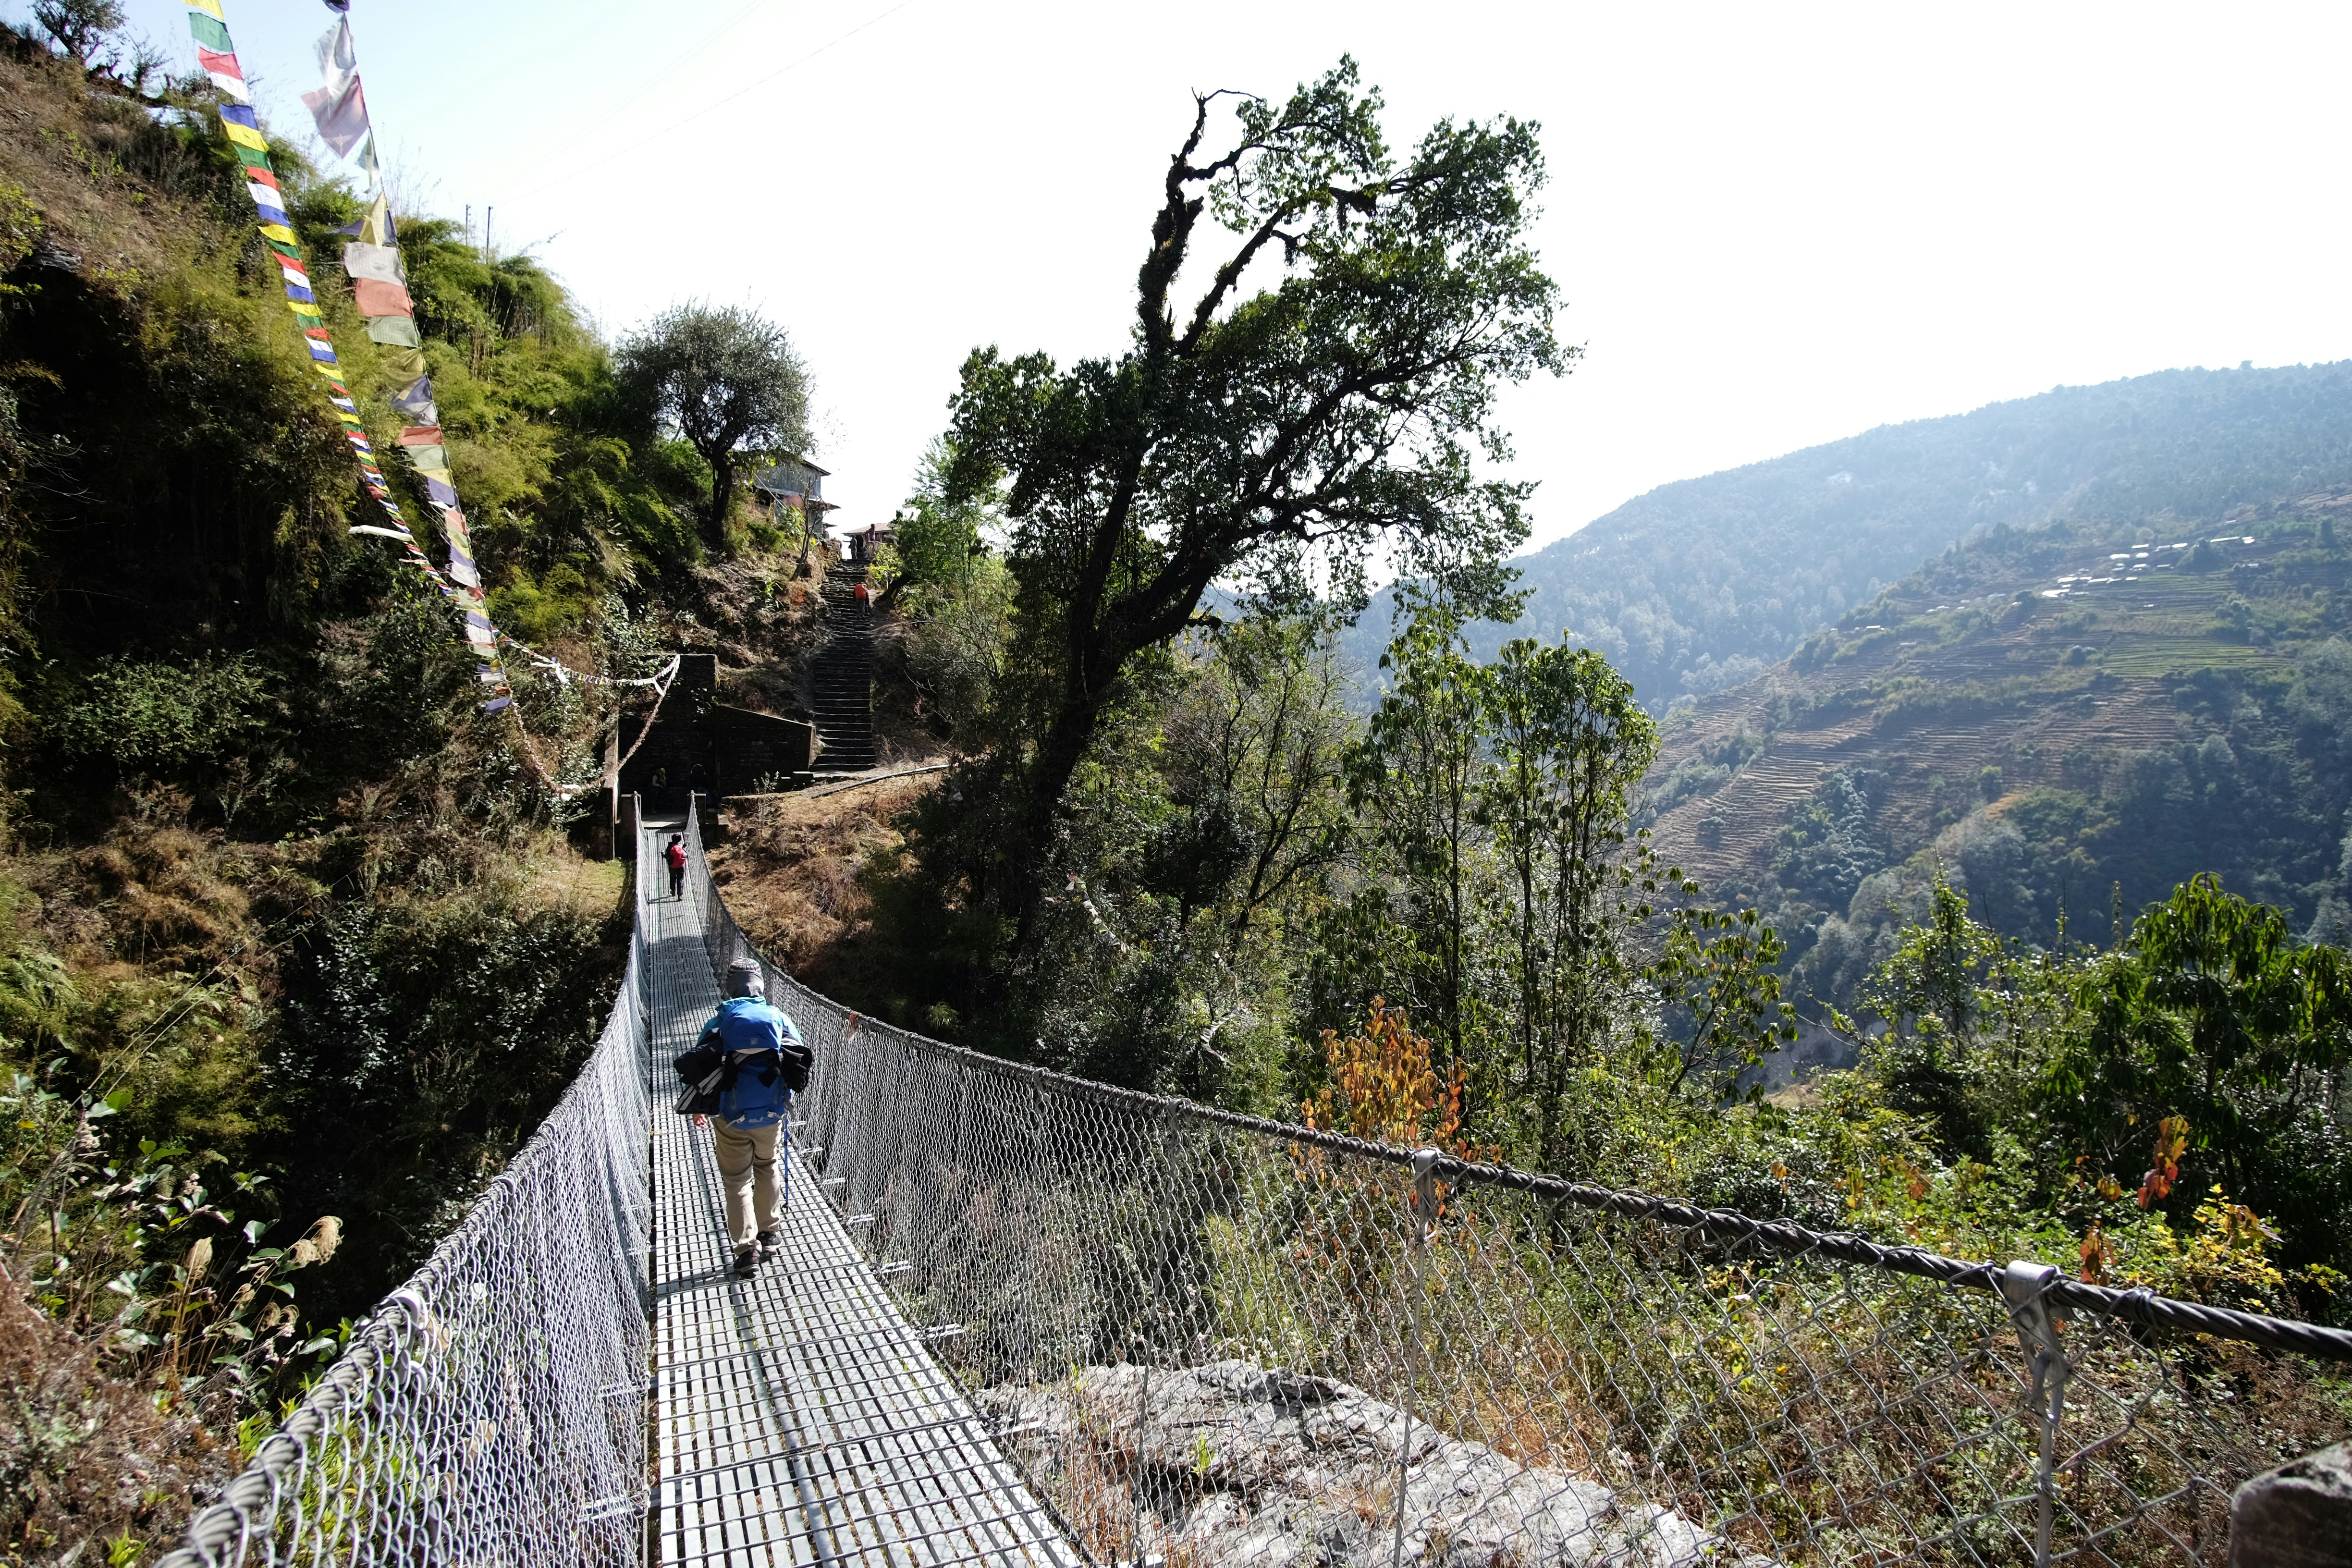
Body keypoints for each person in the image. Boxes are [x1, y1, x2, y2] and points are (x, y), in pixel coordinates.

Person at [691, 959, 803, 1278]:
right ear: (760, 985)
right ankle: (769, 1234)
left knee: (737, 1180)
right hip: (771, 1114)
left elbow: (702, 1068)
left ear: (731, 987)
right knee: (767, 1166)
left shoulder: (718, 1023)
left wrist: (701, 1107)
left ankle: (746, 1252)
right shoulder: (779, 1019)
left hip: (729, 1117)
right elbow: (799, 1059)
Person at [665, 833, 686, 901]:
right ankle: (680, 895)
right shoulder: (681, 847)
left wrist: (663, 854)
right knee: (680, 880)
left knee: (673, 878)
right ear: (679, 840)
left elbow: (667, 856)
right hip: (680, 866)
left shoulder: (670, 847)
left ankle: (673, 891)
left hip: (672, 866)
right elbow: (685, 855)